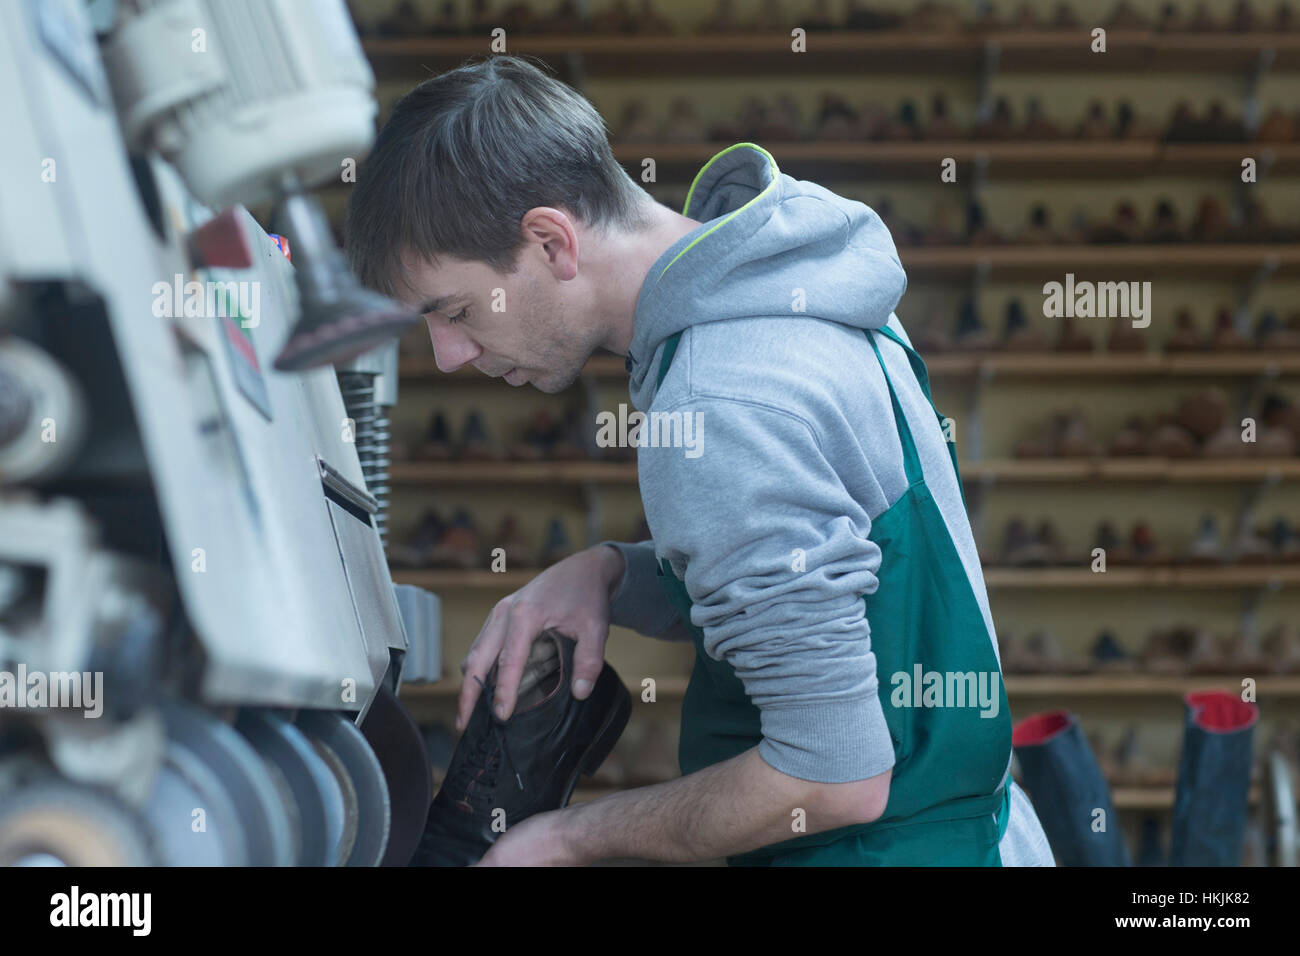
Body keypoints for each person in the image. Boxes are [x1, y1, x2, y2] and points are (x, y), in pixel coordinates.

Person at [346, 55, 1053, 866]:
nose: (448, 356)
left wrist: (569, 838)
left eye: (458, 312)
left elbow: (833, 777)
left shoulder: (720, 404)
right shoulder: (790, 287)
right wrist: (612, 572)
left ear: (549, 241)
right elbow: (837, 576)